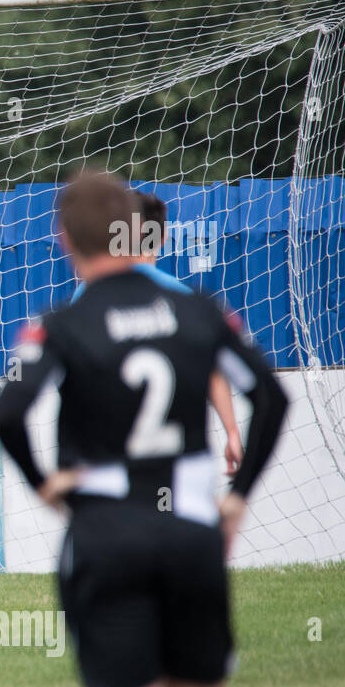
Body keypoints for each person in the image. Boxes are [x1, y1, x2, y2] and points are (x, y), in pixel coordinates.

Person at [0, 170, 288, 687]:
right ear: (138, 231)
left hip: (104, 533)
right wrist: (237, 501)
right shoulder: (199, 310)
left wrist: (44, 484)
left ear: (64, 239)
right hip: (189, 533)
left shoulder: (55, 326)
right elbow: (270, 397)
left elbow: (10, 409)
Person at [73, 190, 245, 474]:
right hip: (175, 461)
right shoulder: (184, 299)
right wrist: (233, 433)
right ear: (163, 238)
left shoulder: (87, 296)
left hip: (107, 461)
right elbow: (213, 371)